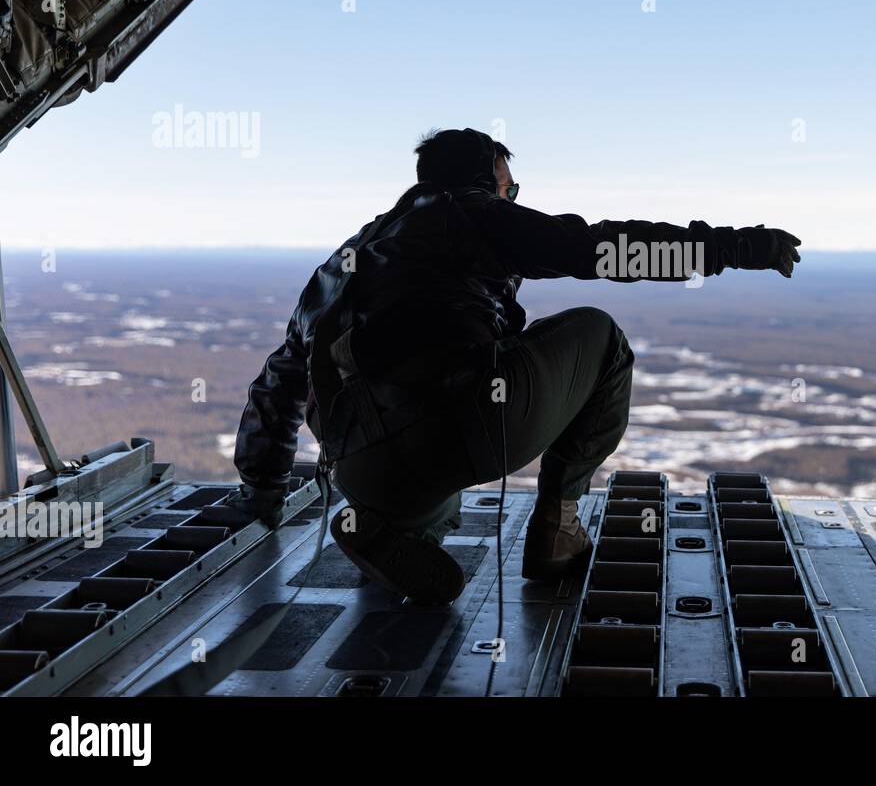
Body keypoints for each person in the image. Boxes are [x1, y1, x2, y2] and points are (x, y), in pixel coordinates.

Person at [229, 128, 800, 603]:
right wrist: (737, 248)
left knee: (423, 477)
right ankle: (558, 530)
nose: (514, 198)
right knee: (602, 338)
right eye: (512, 187)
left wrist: (263, 491)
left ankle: (392, 527)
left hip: (358, 462)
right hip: (460, 429)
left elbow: (277, 384)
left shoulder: (344, 260)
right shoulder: (471, 213)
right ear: (485, 183)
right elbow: (605, 248)